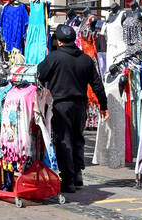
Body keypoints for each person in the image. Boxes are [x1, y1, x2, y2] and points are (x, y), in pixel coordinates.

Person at [36, 23, 108, 194]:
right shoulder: (86, 59)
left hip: (61, 106)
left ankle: (68, 180)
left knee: (63, 141)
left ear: (59, 42)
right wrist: (103, 106)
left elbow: (40, 74)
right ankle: (77, 174)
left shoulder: (54, 58)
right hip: (80, 105)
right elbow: (97, 85)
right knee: (77, 139)